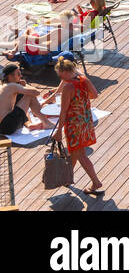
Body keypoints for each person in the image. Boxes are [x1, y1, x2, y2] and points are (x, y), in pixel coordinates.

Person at [49, 55, 103, 195]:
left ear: (64, 72)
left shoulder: (68, 87)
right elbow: (94, 95)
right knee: (75, 151)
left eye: (60, 75)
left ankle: (96, 182)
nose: (60, 78)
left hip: (74, 124)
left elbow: (63, 112)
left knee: (80, 154)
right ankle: (68, 178)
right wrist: (81, 101)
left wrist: (59, 130)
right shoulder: (84, 80)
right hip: (85, 121)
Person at [0, 61, 56, 134]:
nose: (21, 76)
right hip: (8, 125)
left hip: (3, 127)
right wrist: (25, 85)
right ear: (10, 77)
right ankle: (46, 123)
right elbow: (36, 92)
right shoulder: (13, 86)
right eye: (18, 74)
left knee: (21, 97)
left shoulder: (3, 86)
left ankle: (29, 123)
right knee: (29, 96)